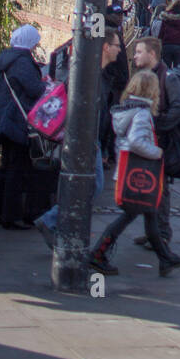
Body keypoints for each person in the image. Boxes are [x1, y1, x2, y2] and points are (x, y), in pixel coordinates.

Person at [89, 70, 180, 278]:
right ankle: (97, 253)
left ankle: (165, 258)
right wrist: (157, 152)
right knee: (129, 216)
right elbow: (136, 142)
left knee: (148, 215)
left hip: (126, 174)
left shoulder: (125, 109)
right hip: (135, 175)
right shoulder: (141, 113)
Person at [33, 30, 122, 250]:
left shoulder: (96, 73)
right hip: (85, 139)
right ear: (105, 47)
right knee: (92, 186)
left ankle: (59, 224)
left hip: (91, 139)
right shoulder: (88, 74)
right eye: (117, 45)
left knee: (91, 186)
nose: (120, 50)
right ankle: (53, 222)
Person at [129, 36, 180, 259]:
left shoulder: (168, 77)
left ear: (152, 54)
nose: (135, 55)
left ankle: (162, 233)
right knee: (148, 185)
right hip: (148, 138)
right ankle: (152, 232)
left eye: (139, 51)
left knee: (161, 188)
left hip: (162, 141)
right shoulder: (146, 75)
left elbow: (178, 109)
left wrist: (156, 123)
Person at [0, 24, 45, 229]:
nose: (37, 45)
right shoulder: (23, 62)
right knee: (17, 169)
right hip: (17, 121)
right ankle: (10, 216)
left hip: (6, 119)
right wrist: (46, 82)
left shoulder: (9, 58)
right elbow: (35, 89)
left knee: (6, 168)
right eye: (35, 41)